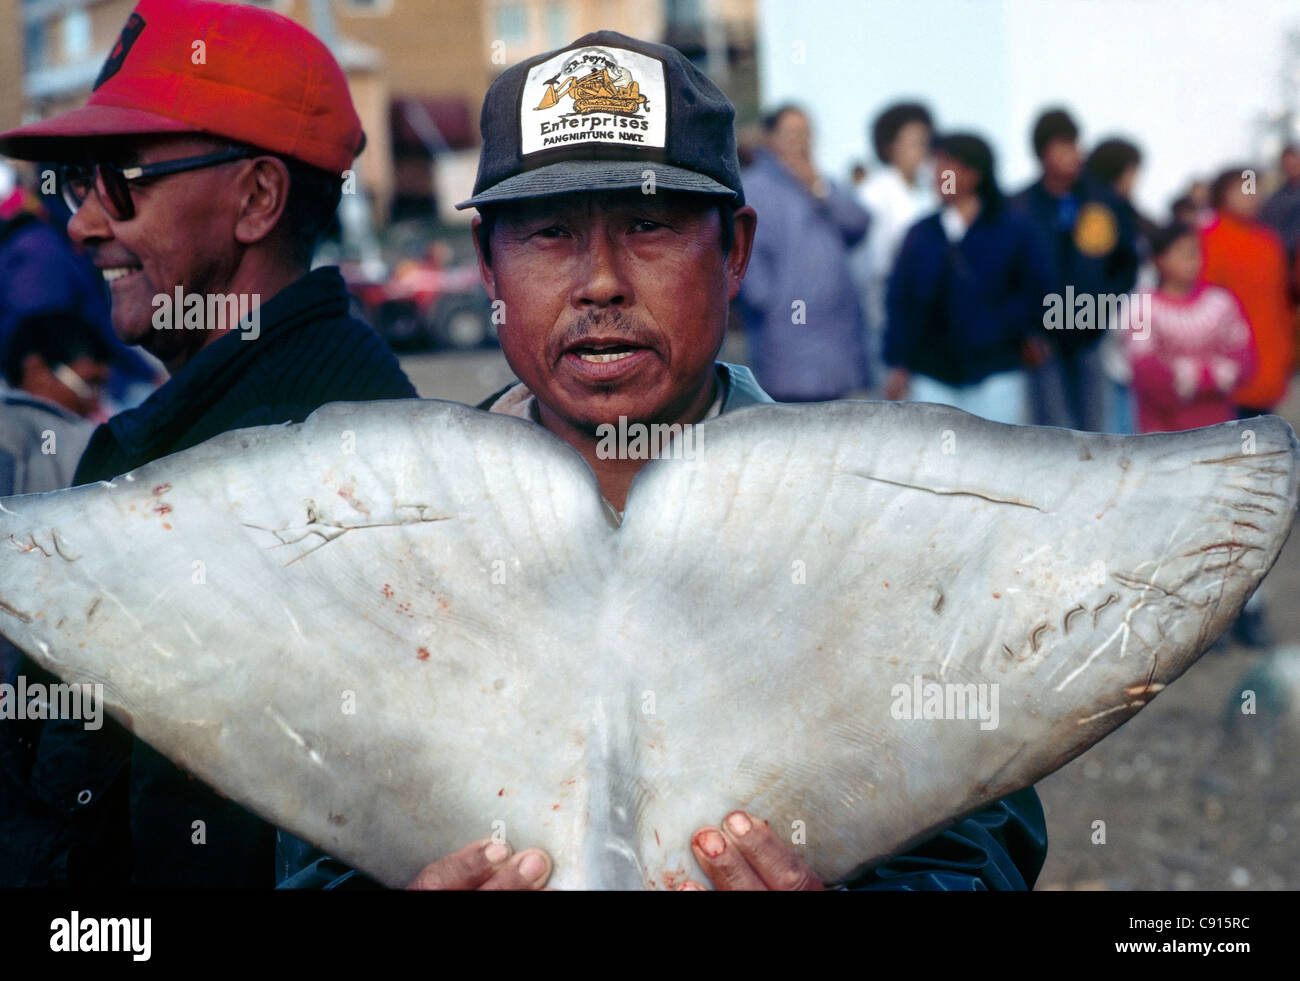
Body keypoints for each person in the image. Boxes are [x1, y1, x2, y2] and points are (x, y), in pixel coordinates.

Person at [355, 30, 1042, 892]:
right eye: (548, 233)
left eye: (649, 225)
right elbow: (317, 841)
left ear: (736, 251)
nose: (599, 282)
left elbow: (983, 844)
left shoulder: (868, 530)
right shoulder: (405, 545)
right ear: (489, 267)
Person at [0, 0, 416, 888]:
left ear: (258, 197)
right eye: (77, 181)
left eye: (121, 179)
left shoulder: (315, 470)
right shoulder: (227, 414)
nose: (82, 224)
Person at [882, 133, 1052, 425]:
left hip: (997, 371)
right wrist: (898, 362)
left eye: (946, 167)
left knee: (995, 460)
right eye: (935, 167)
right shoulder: (922, 234)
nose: (936, 176)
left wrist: (1020, 330)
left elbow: (1037, 290)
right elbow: (901, 301)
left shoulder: (1014, 230)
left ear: (974, 174)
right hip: (933, 374)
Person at [1012, 109, 1140, 431]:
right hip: (1042, 345)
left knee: (1095, 434)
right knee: (1053, 437)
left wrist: (1101, 306)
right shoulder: (1019, 208)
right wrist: (1024, 332)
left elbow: (1127, 263)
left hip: (1091, 338)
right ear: (1044, 153)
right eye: (1064, 147)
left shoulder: (1104, 201)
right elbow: (1005, 277)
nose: (1074, 155)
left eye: (1075, 145)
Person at [735, 104, 872, 402]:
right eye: (793, 134)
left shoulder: (820, 184)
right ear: (770, 138)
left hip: (837, 340)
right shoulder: (755, 187)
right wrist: (770, 304)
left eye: (807, 134)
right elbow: (747, 262)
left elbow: (859, 223)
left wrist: (819, 188)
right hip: (786, 340)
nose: (802, 142)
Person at [1126, 222, 1255, 434]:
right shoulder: (1142, 309)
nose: (1192, 259)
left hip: (1218, 427)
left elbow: (1246, 362)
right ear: (1159, 260)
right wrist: (1214, 374)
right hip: (1163, 432)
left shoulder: (1221, 302)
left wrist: (1188, 375)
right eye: (1181, 252)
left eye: (1195, 251)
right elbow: (1147, 374)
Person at [852, 102, 937, 394]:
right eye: (914, 142)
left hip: (930, 322)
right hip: (888, 319)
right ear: (890, 146)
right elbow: (871, 267)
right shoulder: (874, 193)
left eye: (926, 142)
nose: (922, 149)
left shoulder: (930, 190)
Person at [1259, 146, 1300, 300]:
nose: (1292, 168)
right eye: (1288, 165)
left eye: (1295, 163)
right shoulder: (1275, 202)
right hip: (1289, 264)